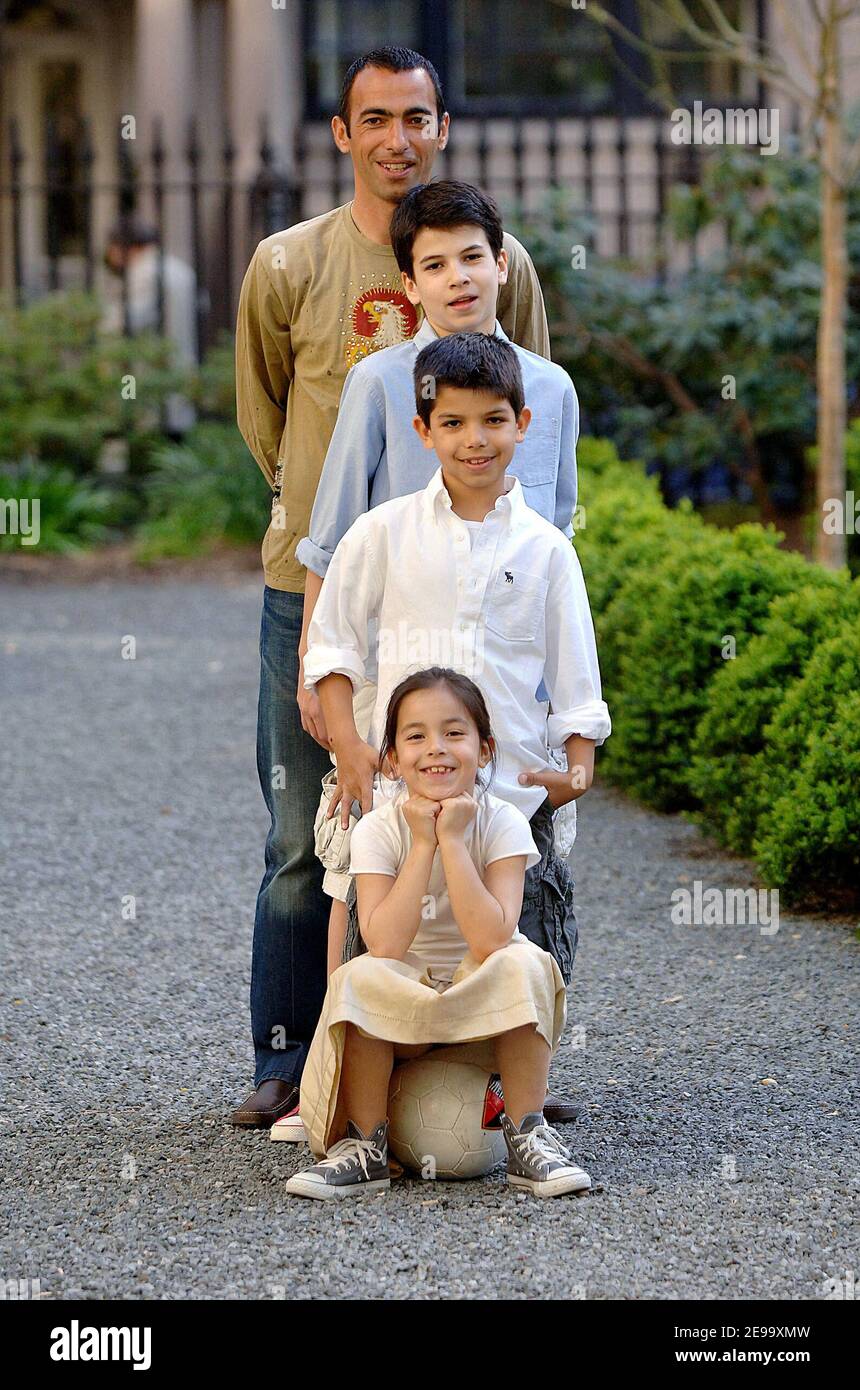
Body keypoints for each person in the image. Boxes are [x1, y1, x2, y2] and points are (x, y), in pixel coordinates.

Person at [232, 45, 551, 1130]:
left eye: (415, 116)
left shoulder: (498, 267)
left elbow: (523, 399)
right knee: (310, 828)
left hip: (472, 603)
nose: (395, 137)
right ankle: (293, 1056)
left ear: (441, 125)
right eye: (374, 118)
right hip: (323, 587)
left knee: (486, 820)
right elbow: (266, 414)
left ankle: (497, 1060)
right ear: (344, 133)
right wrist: (314, 538)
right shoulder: (287, 264)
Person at [286, 333, 610, 1143]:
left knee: (511, 942)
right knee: (377, 944)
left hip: (508, 795)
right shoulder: (385, 533)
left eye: (493, 421)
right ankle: (355, 1106)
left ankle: (504, 1098)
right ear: (424, 431)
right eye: (455, 422)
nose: (475, 440)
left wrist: (575, 766)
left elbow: (575, 678)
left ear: (522, 424)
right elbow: (332, 644)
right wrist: (352, 751)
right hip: (395, 790)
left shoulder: (545, 549)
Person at [295, 179, 581, 985]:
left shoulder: (549, 390)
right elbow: (330, 544)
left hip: (505, 683)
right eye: (436, 264)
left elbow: (554, 540)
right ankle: (346, 1054)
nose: (458, 279)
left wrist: (564, 714)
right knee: (370, 863)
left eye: (472, 259)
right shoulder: (379, 384)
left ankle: (511, 1055)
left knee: (510, 853)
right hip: (397, 669)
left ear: (501, 267)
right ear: (409, 282)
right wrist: (319, 679)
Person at [285, 668, 593, 1201]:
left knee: (526, 961)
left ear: (486, 748)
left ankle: (527, 1133)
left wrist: (453, 841)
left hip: (482, 1011)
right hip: (407, 1008)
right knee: (360, 977)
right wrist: (422, 843)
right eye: (415, 736)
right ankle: (365, 1145)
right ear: (391, 759)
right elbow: (384, 942)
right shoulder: (378, 829)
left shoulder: (503, 825)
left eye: (455, 733)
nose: (436, 750)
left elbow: (492, 938)